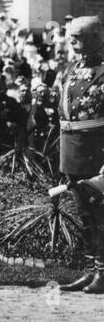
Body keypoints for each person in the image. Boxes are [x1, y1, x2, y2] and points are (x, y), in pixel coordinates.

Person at [56, 16, 104, 293]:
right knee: (85, 215)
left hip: (97, 152)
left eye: (78, 37)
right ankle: (89, 270)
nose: (72, 42)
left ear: (96, 37)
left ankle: (102, 272)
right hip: (73, 151)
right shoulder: (71, 69)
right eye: (71, 37)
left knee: (101, 214)